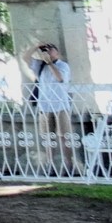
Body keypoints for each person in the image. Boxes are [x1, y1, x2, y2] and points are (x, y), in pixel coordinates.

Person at [28, 42, 78, 176]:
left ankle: (69, 164)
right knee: (48, 137)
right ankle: (50, 165)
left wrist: (50, 63)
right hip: (45, 106)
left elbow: (60, 78)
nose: (48, 52)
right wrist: (37, 46)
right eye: (46, 50)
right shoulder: (40, 66)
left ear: (57, 52)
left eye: (51, 50)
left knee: (63, 136)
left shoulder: (63, 66)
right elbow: (25, 58)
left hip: (60, 105)